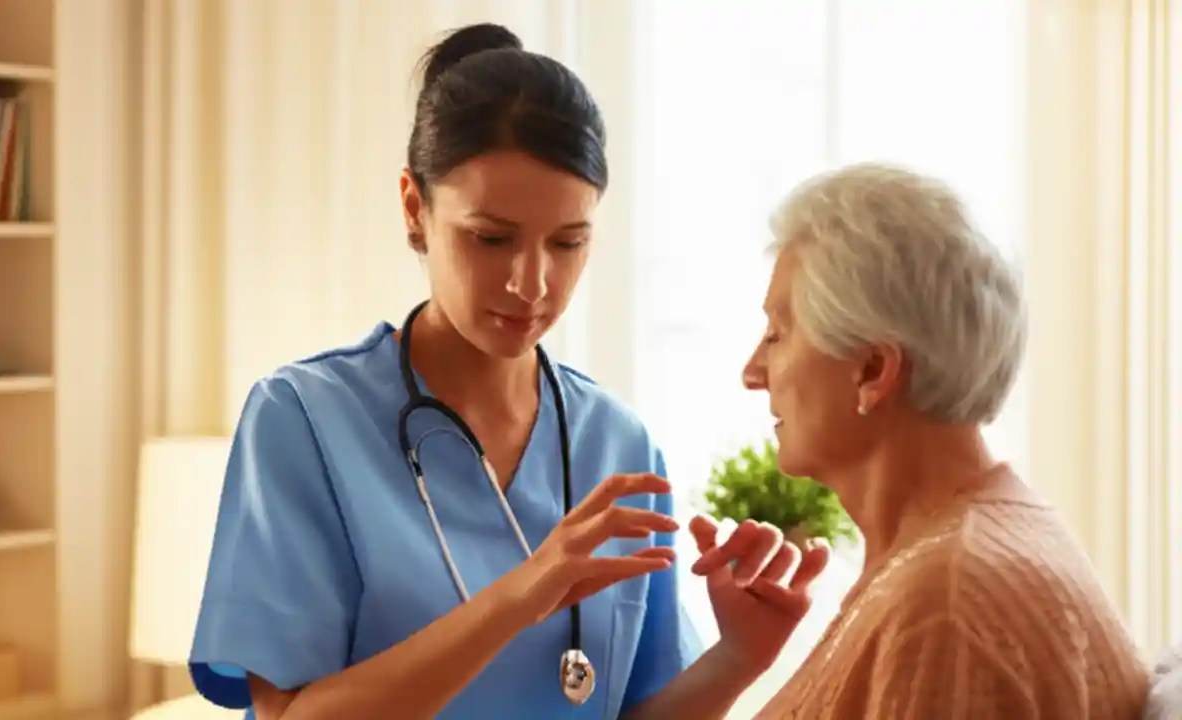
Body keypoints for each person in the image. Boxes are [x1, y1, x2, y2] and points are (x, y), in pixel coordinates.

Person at [188, 23, 830, 720]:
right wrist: (521, 595)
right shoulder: (305, 419)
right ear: (414, 208)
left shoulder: (617, 444)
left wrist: (739, 658)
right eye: (492, 239)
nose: (533, 283)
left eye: (568, 243)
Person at [740, 163, 1152, 719]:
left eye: (776, 335)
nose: (752, 371)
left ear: (872, 370)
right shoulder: (946, 558)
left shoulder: (947, 602)